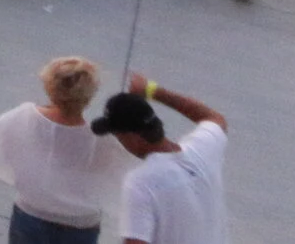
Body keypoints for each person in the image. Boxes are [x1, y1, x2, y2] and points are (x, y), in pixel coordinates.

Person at [0, 55, 133, 244]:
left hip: (30, 213)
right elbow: (120, 178)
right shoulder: (100, 140)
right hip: (79, 225)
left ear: (50, 86)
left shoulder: (23, 116)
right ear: (89, 95)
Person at [93, 73, 230, 244]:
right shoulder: (203, 149)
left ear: (133, 137)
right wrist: (154, 91)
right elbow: (213, 118)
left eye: (117, 135)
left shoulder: (140, 183)